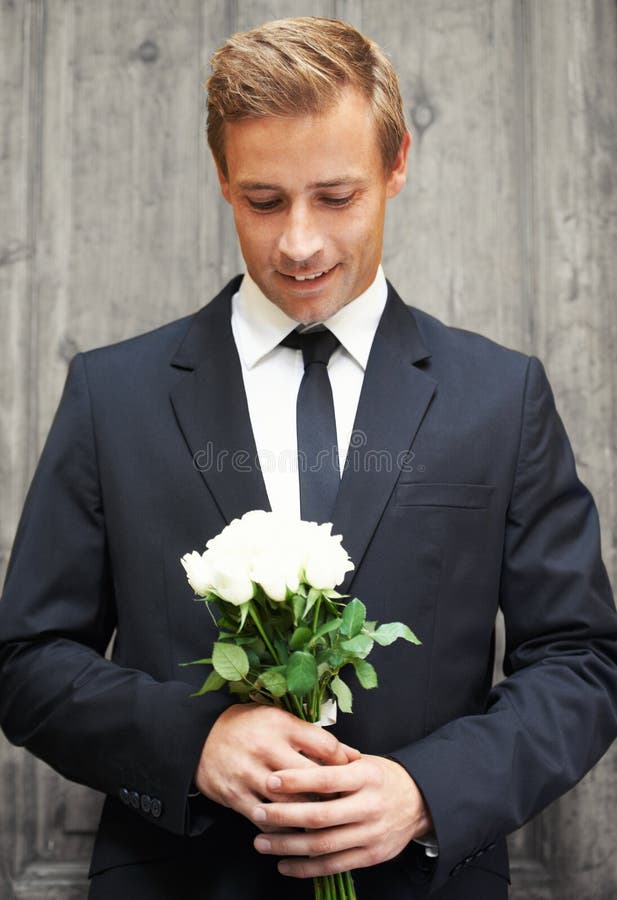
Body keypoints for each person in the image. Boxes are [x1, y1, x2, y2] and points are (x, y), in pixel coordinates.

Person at [0, 16, 616, 900]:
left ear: (396, 163)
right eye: (263, 201)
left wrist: (427, 791)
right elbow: (25, 661)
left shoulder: (500, 395)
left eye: (334, 196)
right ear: (222, 177)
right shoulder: (113, 394)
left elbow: (581, 661)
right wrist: (192, 743)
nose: (298, 243)